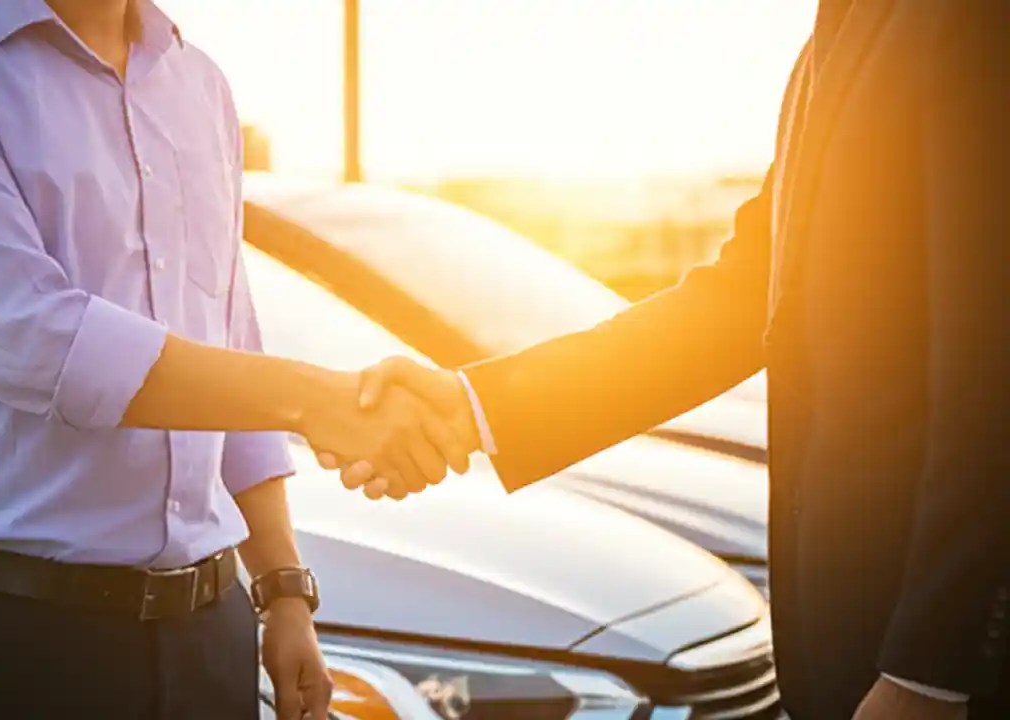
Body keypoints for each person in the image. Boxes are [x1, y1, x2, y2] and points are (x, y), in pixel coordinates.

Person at [344, 1, 1010, 718]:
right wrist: (475, 407)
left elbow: (990, 373)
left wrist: (929, 672)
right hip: (848, 657)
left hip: (931, 674)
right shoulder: (839, 32)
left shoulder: (966, 19)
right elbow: (738, 302)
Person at [0, 1, 470, 718]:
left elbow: (230, 342)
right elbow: (33, 342)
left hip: (209, 641)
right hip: (12, 647)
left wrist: (283, 588)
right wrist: (322, 401)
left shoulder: (198, 84)